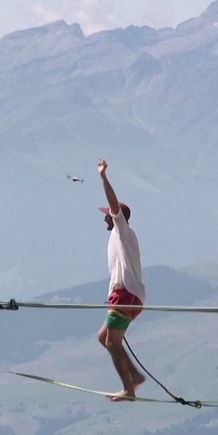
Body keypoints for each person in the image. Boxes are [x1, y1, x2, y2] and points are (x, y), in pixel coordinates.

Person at [96, 158, 146, 401]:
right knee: (103, 337)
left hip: (125, 294)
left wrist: (103, 177)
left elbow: (113, 205)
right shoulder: (122, 236)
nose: (105, 217)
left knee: (112, 343)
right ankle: (134, 375)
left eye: (108, 215)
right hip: (128, 295)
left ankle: (128, 389)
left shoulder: (122, 230)